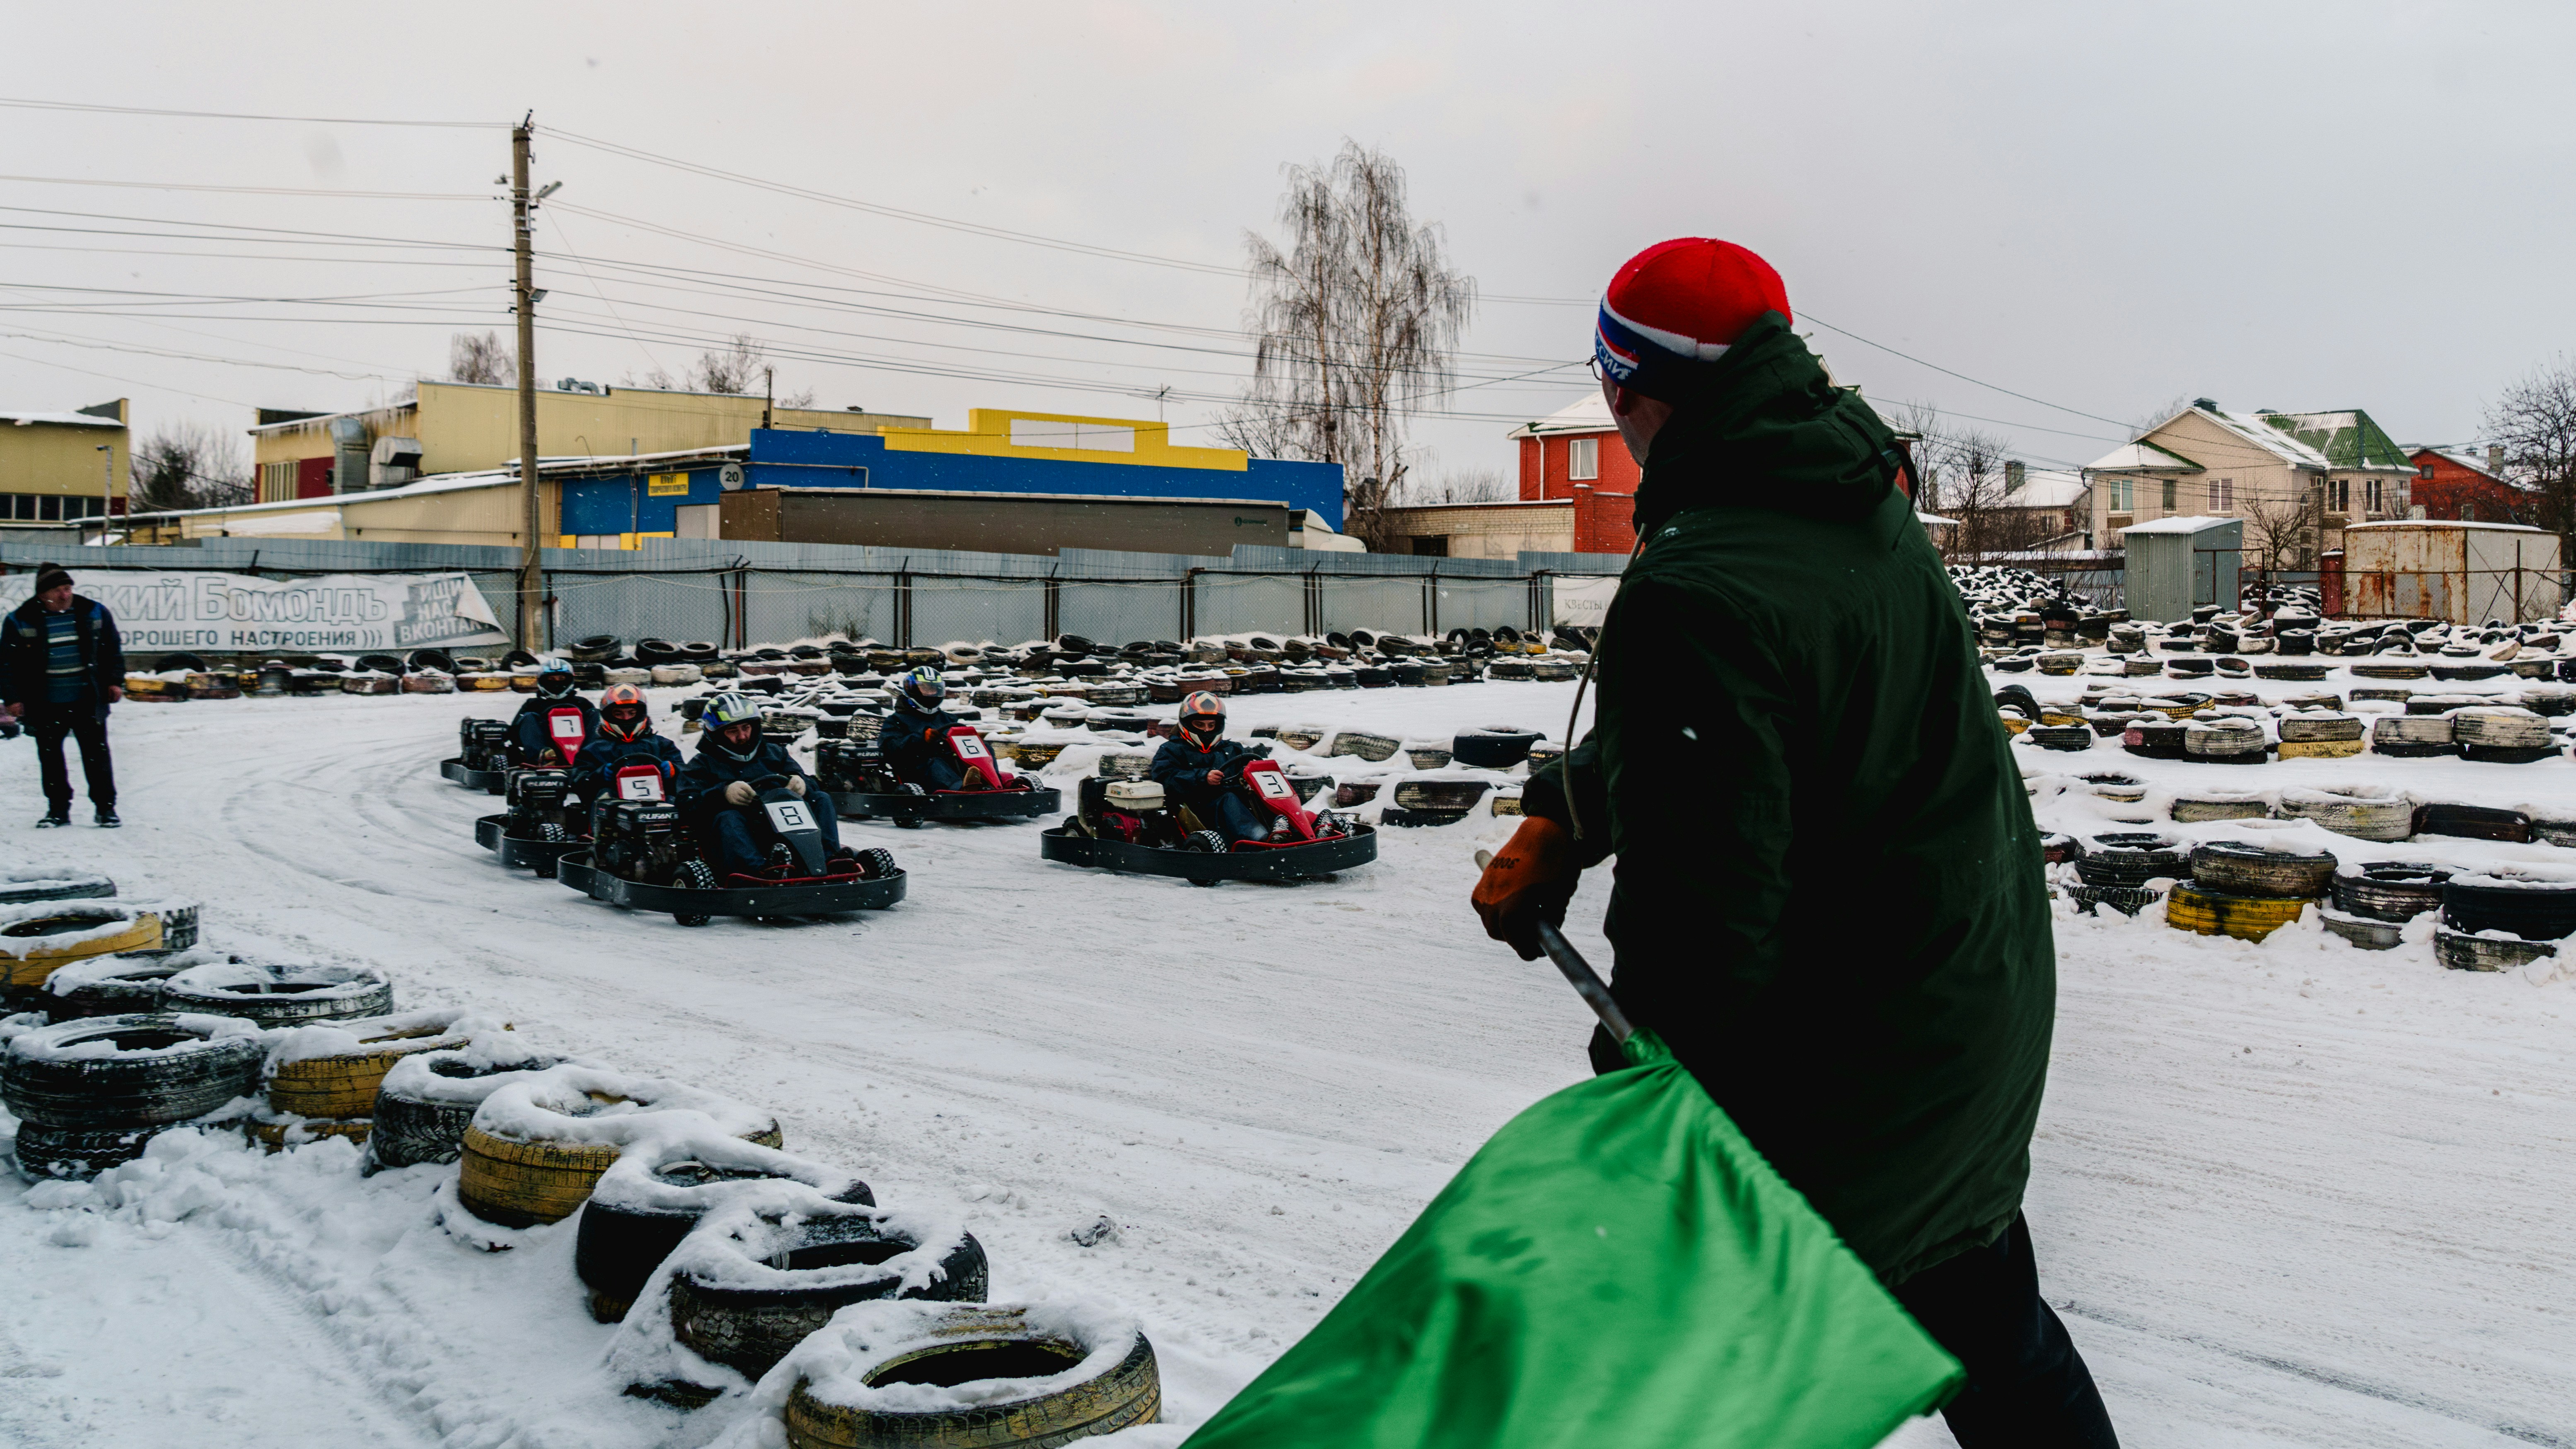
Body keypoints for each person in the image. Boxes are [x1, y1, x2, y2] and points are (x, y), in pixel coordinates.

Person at [1469, 238, 2116, 1447]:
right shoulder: (1848, 494)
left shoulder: (1699, 580)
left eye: (1607, 380)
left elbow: (1701, 930)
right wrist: (1573, 800)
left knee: (1696, 1399)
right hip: (1964, 1014)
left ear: (1628, 389)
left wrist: (1646, 1111)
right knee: (1979, 1310)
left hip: (1848, 1071)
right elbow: (1783, 716)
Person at [2, 564, 124, 828]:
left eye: (67, 588)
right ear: (42, 594)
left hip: (87, 700)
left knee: (97, 756)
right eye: (57, 590)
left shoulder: (93, 612)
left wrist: (114, 682)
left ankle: (106, 809)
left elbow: (112, 649)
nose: (65, 594)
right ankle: (58, 810)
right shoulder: (20, 620)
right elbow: (7, 663)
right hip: (45, 702)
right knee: (51, 757)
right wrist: (11, 698)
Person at [676, 691, 848, 877]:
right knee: (729, 817)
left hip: (781, 825)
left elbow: (809, 783)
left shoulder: (776, 754)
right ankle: (760, 872)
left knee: (821, 798)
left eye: (746, 728)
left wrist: (803, 782)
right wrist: (723, 793)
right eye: (732, 731)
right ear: (716, 734)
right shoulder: (703, 763)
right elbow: (686, 802)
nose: (742, 737)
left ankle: (828, 859)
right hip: (738, 835)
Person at [1147, 691, 1265, 844]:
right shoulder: (1172, 750)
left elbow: (1247, 771)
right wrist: (1203, 778)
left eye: (1211, 725)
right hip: (1196, 808)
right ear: (1187, 724)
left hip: (1235, 808)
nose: (1207, 730)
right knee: (1228, 799)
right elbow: (1165, 778)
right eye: (1200, 725)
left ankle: (1288, 830)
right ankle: (1259, 838)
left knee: (1259, 796)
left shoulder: (1232, 749)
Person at [570, 684, 683, 804]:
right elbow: (578, 782)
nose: (626, 718)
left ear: (641, 713)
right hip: (613, 813)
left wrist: (674, 770)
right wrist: (599, 775)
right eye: (619, 714)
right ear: (608, 715)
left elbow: (689, 778)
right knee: (605, 796)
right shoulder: (594, 750)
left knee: (678, 801)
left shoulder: (662, 745)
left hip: (659, 806)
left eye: (632, 713)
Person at [880, 665, 972, 790]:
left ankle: (992, 784)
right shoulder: (896, 721)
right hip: (915, 771)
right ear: (912, 688)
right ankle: (962, 791)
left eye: (933, 689)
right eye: (925, 688)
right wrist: (922, 739)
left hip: (951, 767)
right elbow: (890, 749)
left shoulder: (949, 719)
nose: (930, 692)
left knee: (986, 748)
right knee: (935, 763)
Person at [509, 659, 597, 767]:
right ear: (543, 681)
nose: (557, 682)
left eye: (562, 679)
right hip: (548, 747)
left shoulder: (583, 703)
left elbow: (600, 729)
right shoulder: (534, 704)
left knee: (596, 713)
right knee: (529, 717)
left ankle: (593, 756)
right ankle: (542, 758)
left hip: (582, 749)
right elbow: (514, 733)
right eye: (551, 679)